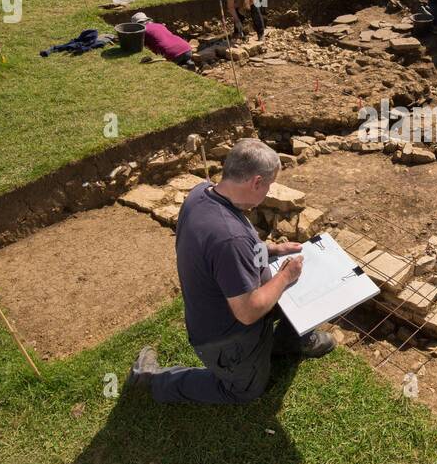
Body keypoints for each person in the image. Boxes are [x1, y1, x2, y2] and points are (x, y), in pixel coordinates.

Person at [127, 138, 337, 405]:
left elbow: (232, 250)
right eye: (269, 186)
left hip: (221, 308)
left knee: (305, 290)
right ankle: (151, 380)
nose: (267, 193)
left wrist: (270, 249)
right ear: (256, 182)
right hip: (225, 337)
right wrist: (285, 276)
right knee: (244, 391)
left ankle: (287, 342)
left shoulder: (202, 193)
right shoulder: (229, 238)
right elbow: (248, 312)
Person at [130, 12, 199, 69]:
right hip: (186, 48)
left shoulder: (142, 31)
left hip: (172, 54)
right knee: (183, 58)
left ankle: (182, 66)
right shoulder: (159, 25)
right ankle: (188, 62)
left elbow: (139, 46)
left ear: (137, 25)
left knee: (173, 63)